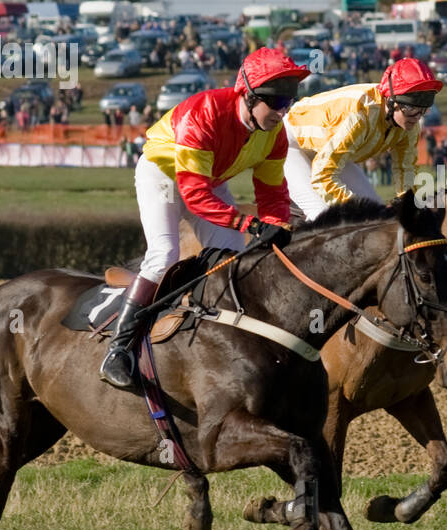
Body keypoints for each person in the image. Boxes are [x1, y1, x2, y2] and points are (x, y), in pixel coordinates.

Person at [99, 46, 308, 392]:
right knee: (164, 254)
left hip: (209, 180)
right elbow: (194, 195)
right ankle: (118, 349)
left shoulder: (275, 134)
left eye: (288, 103)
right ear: (249, 94)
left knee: (228, 257)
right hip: (162, 175)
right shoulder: (206, 112)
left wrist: (277, 227)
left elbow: (271, 194)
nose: (282, 112)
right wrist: (249, 224)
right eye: (275, 103)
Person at [282, 57, 443, 220]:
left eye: (423, 110)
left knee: (378, 215)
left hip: (327, 150)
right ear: (391, 100)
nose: (416, 117)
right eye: (410, 108)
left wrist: (407, 203)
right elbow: (322, 176)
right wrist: (359, 209)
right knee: (323, 214)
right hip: (291, 143)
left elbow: (405, 169)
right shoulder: (361, 115)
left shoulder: (409, 125)